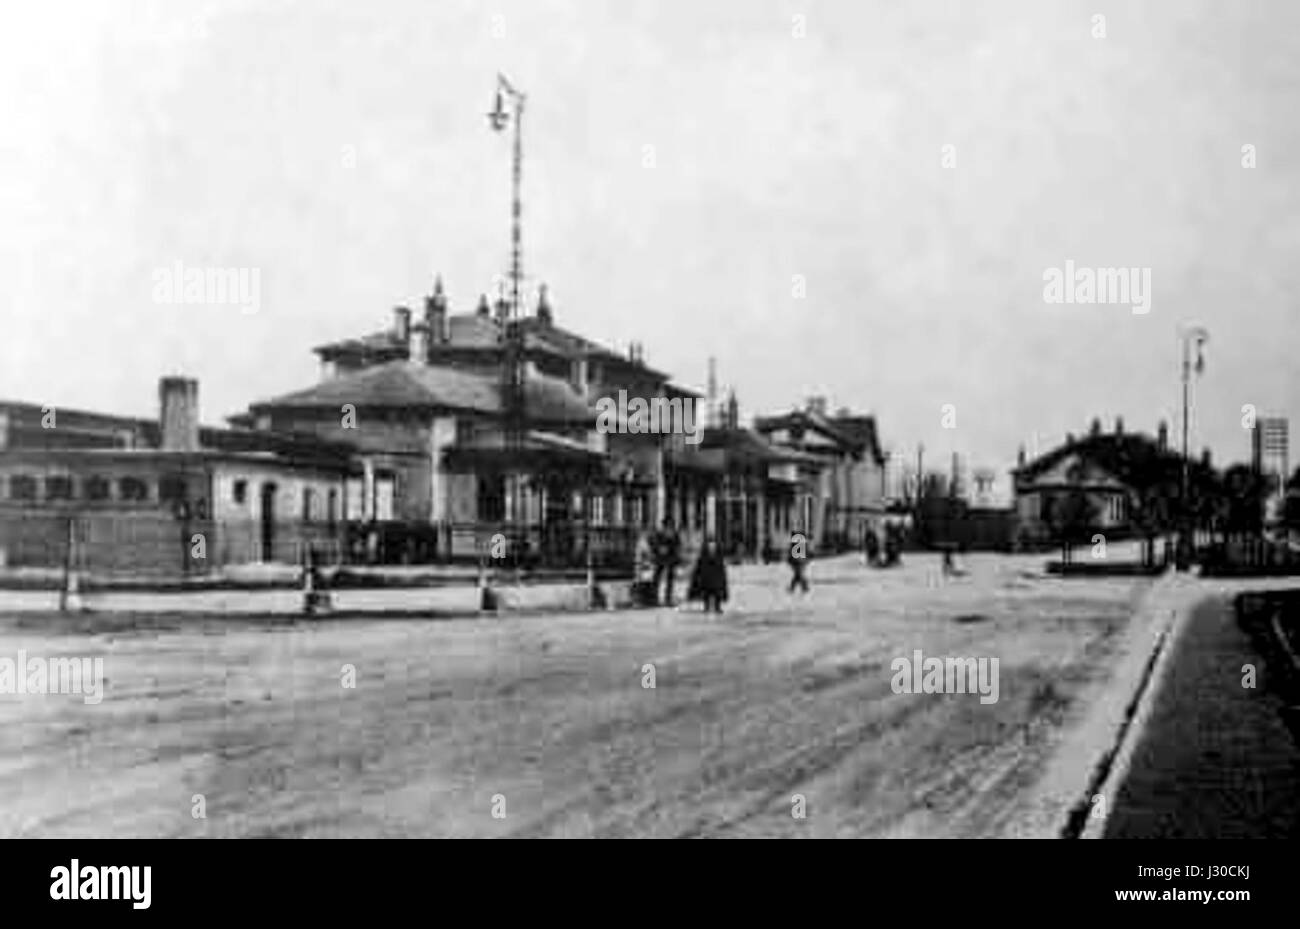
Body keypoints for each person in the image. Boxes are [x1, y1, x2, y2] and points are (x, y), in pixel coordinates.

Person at [689, 535, 728, 613]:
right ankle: (707, 607)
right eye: (710, 543)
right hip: (707, 577)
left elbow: (721, 567)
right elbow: (700, 566)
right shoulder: (704, 553)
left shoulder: (718, 553)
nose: (711, 545)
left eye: (713, 543)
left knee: (717, 592)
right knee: (707, 592)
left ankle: (717, 607)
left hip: (716, 577)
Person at [651, 519, 682, 607]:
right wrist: (659, 549)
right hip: (661, 559)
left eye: (670, 526)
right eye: (667, 526)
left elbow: (678, 546)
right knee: (657, 579)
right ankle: (655, 598)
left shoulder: (674, 534)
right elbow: (653, 543)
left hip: (670, 559)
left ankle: (667, 599)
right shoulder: (659, 534)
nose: (669, 528)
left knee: (669, 580)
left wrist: (675, 554)